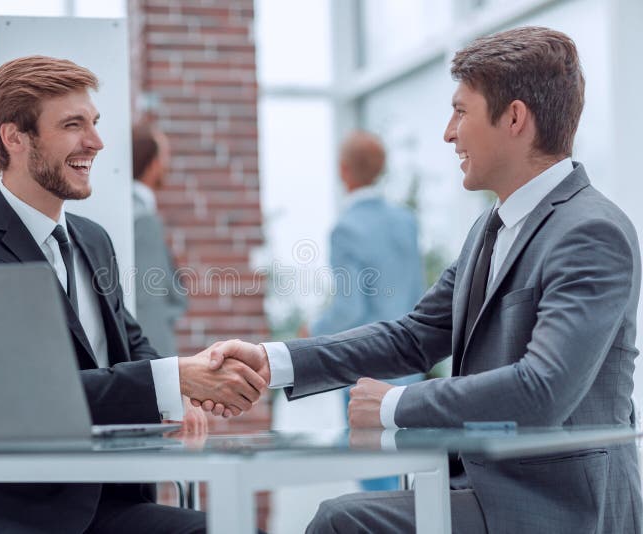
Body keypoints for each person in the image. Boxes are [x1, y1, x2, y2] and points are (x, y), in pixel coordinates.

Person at [201, 27, 642, 533]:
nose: (448, 133)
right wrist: (273, 360)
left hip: (555, 508)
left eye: (461, 111)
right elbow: (412, 337)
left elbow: (544, 389)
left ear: (515, 118)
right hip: (477, 488)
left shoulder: (590, 231)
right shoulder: (489, 228)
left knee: (341, 521)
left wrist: (396, 404)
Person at [0, 55, 266, 534]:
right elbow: (15, 399)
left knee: (233, 528)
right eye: (73, 125)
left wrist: (185, 389)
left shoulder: (93, 239)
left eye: (94, 124)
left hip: (107, 501)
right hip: (9, 515)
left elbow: (129, 342)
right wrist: (172, 380)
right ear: (14, 137)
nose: (96, 143)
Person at [306, 130, 425, 492]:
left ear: (344, 171)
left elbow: (349, 306)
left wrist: (313, 331)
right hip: (410, 363)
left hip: (366, 366)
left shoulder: (346, 229)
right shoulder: (406, 221)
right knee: (407, 472)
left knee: (376, 480)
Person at [131, 122, 187, 357]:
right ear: (152, 163)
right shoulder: (141, 218)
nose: (167, 165)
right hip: (151, 354)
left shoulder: (132, 211)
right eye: (165, 156)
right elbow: (149, 301)